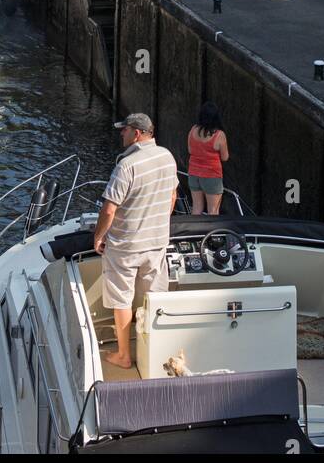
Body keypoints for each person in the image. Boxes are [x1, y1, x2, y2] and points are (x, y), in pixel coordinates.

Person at [93, 113, 177, 370]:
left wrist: (98, 237)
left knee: (122, 299)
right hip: (156, 242)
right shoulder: (167, 157)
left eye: (125, 130)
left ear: (137, 134)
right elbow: (172, 196)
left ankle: (123, 355)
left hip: (126, 247)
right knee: (153, 297)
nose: (121, 133)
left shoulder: (127, 166)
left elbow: (109, 209)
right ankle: (155, 351)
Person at [187, 101, 229, 215]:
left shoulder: (193, 130)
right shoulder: (219, 135)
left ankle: (194, 232)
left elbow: (190, 150)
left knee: (196, 208)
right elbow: (225, 157)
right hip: (212, 176)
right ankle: (212, 233)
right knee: (213, 211)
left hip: (194, 174)